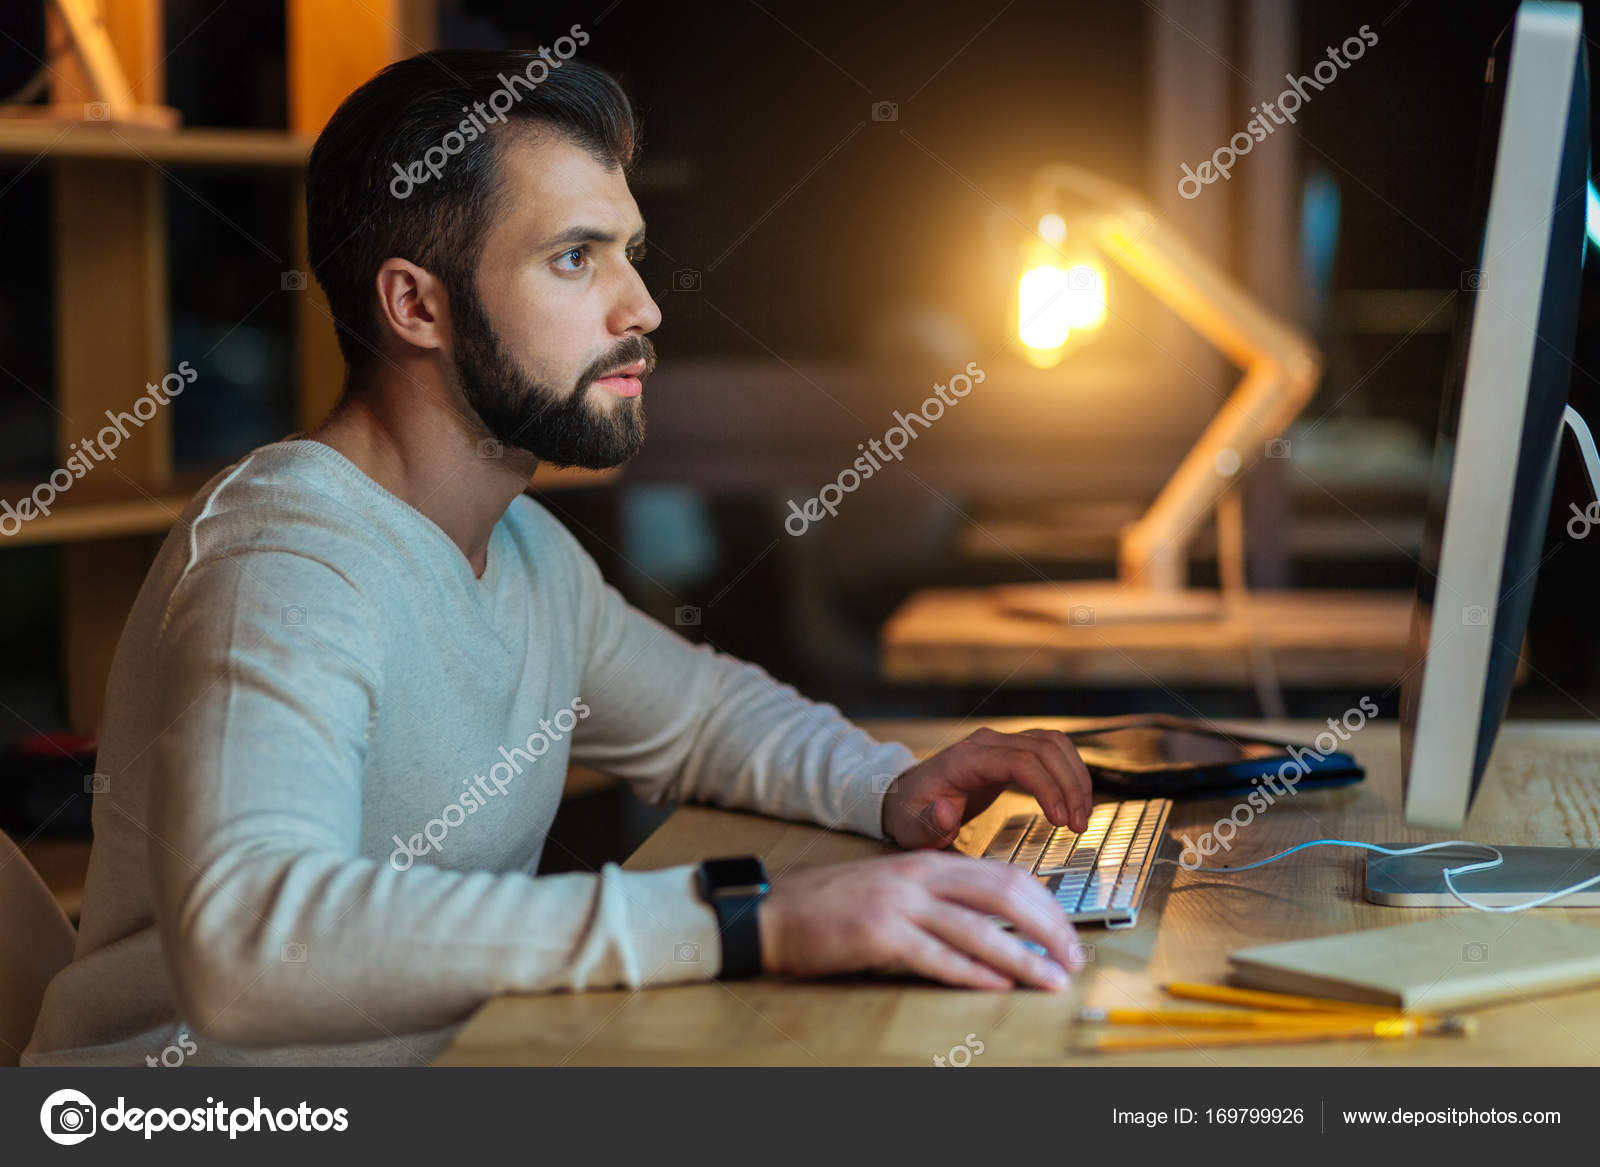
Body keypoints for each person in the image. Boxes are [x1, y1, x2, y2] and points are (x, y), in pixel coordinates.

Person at [24, 51, 1092, 1067]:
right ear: (416, 305)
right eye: (575, 258)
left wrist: (894, 786)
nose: (643, 308)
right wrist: (745, 920)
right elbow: (255, 946)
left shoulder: (524, 548)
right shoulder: (285, 560)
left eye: (629, 252)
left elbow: (705, 719)